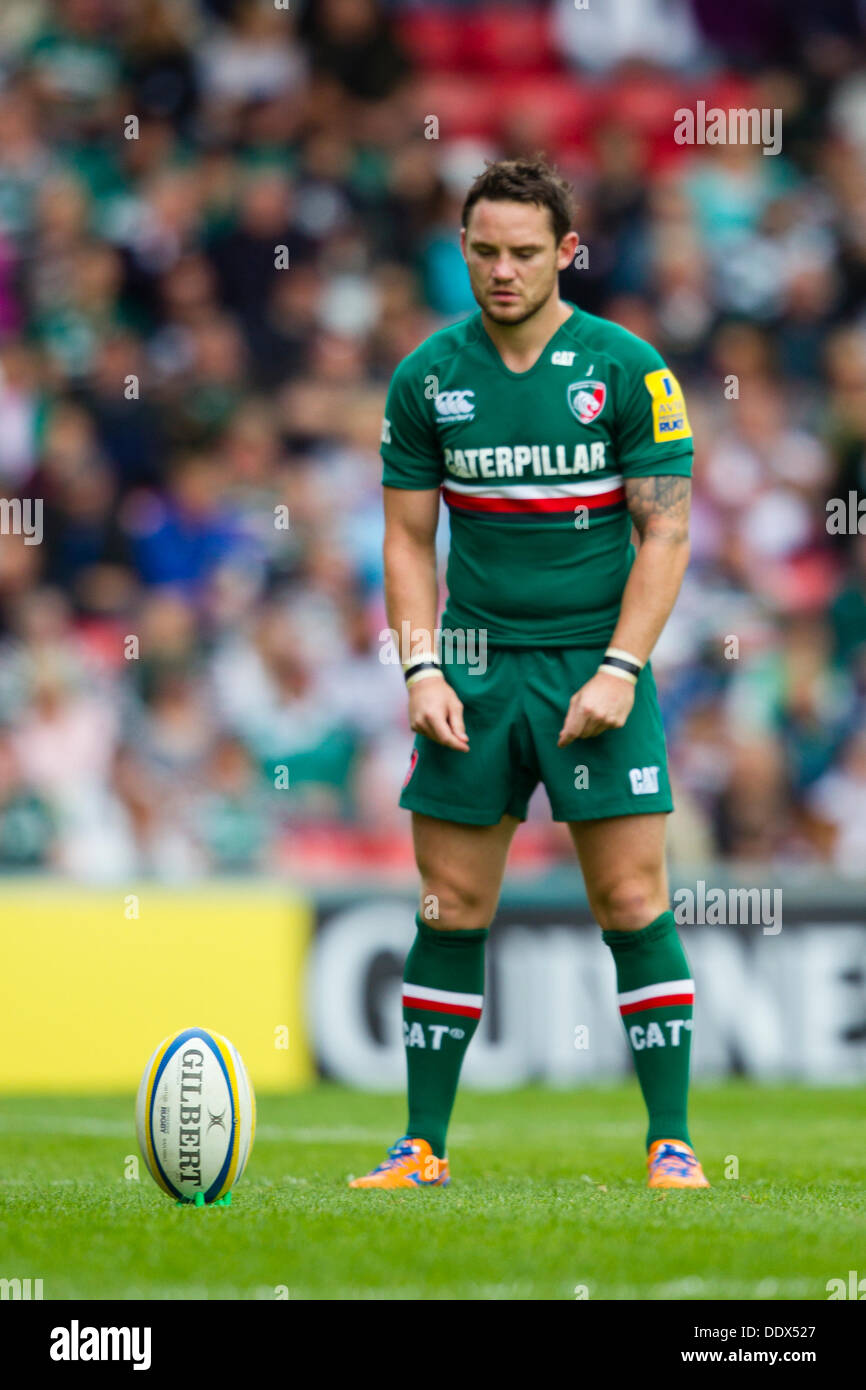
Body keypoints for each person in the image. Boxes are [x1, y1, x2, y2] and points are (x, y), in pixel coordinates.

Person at [350, 157, 708, 1191]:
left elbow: (666, 536)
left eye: (522, 252)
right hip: (470, 670)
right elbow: (407, 542)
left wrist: (620, 668)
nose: (501, 271)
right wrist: (419, 667)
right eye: (483, 250)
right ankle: (420, 1146)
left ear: (565, 252)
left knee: (633, 899)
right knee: (447, 905)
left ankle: (669, 1143)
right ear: (460, 248)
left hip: (594, 667)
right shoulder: (426, 377)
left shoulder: (628, 367)